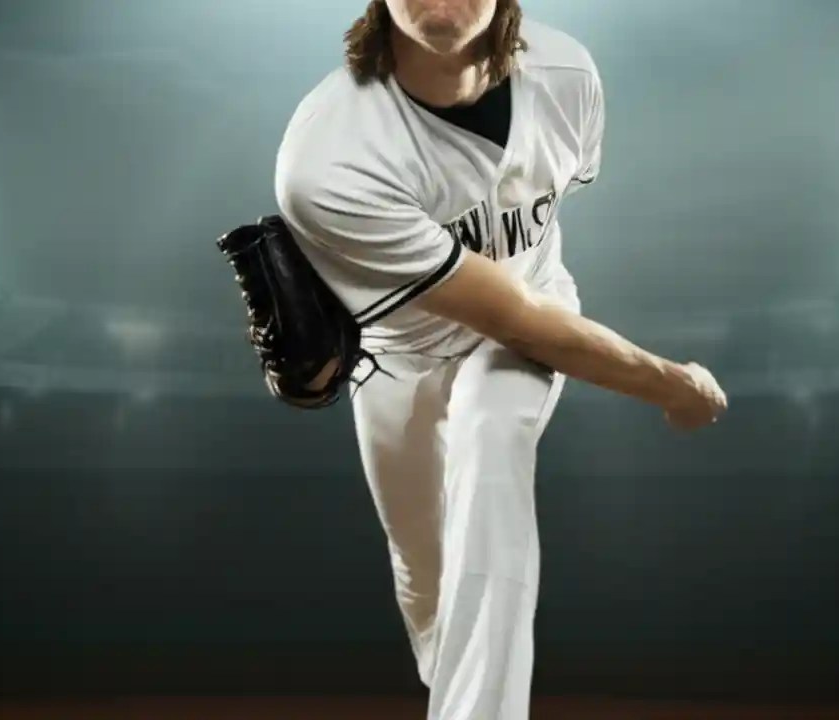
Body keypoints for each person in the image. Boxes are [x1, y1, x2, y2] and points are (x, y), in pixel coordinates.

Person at [273, 1, 728, 717]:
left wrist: (668, 385)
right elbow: (503, 309)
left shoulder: (569, 75)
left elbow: (524, 323)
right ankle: (450, 669)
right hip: (400, 356)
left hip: (531, 312)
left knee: (491, 441)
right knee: (424, 573)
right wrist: (672, 384)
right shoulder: (330, 153)